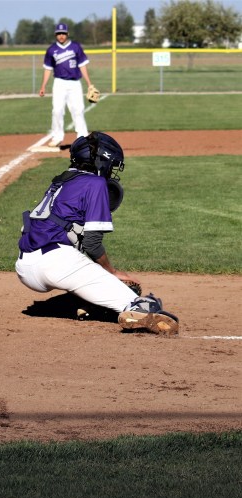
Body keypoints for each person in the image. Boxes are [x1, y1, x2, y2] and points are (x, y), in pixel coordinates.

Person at [15, 131, 179, 335]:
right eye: (111, 165)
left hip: (25, 267)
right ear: (101, 162)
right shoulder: (95, 183)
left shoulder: (63, 180)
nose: (112, 170)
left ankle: (87, 303)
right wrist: (112, 271)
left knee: (87, 277)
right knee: (141, 303)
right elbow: (92, 243)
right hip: (55, 263)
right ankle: (133, 309)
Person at [38, 22, 93, 148]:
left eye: (63, 33)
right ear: (55, 35)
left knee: (78, 110)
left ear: (67, 34)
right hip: (59, 83)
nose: (61, 36)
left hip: (75, 83)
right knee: (57, 110)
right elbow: (48, 69)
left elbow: (82, 66)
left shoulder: (76, 47)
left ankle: (82, 137)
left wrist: (89, 84)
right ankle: (57, 137)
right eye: (59, 33)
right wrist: (43, 86)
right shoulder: (51, 50)